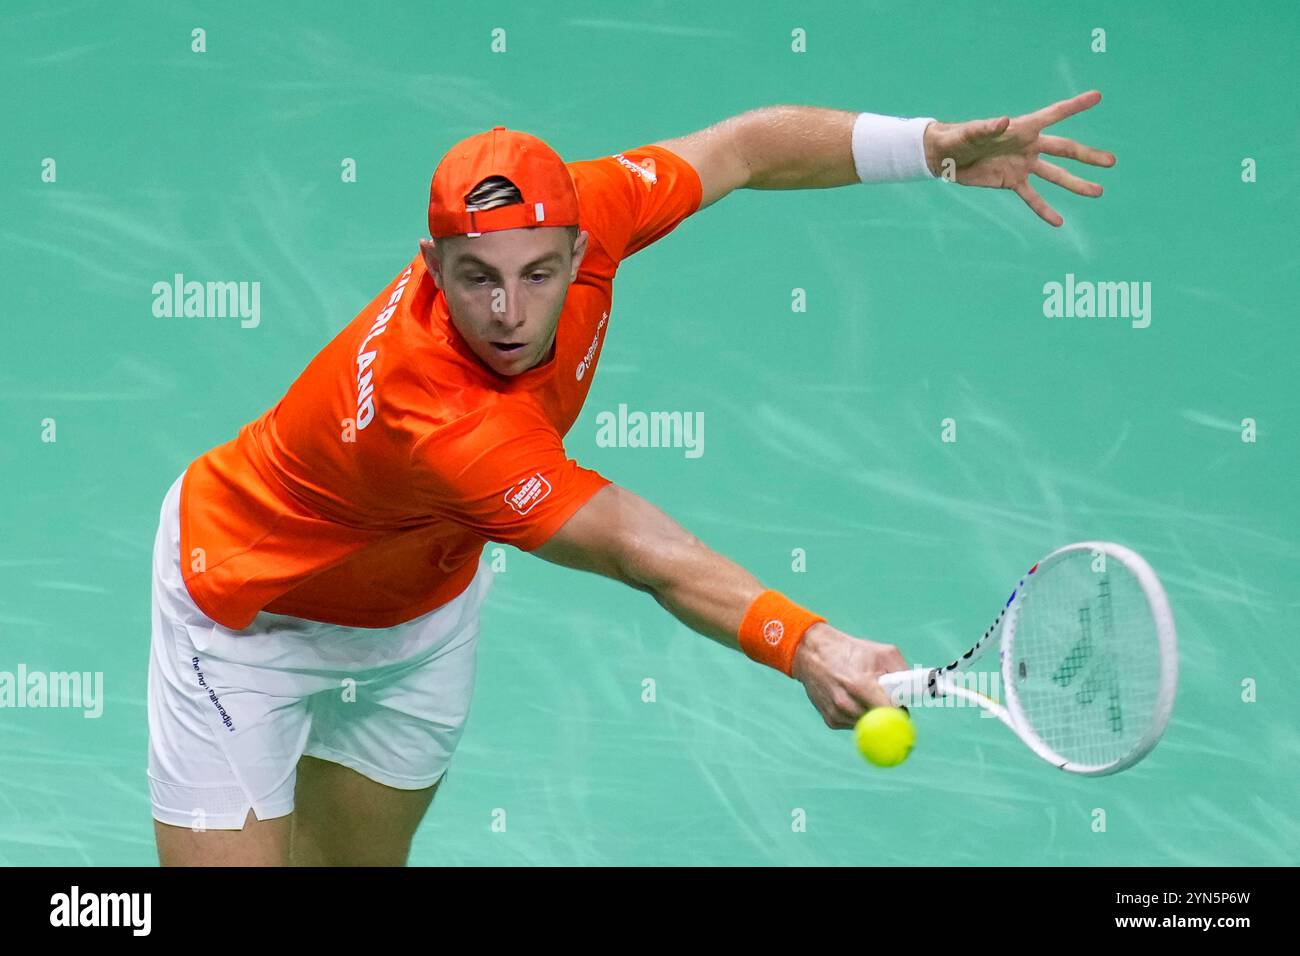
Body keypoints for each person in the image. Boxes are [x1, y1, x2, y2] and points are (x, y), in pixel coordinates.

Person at [148, 93, 1114, 866]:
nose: (511, 312)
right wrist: (808, 644)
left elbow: (745, 148)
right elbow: (639, 550)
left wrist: (932, 147)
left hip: (418, 611)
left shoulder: (591, 207)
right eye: (477, 276)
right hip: (248, 606)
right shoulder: (443, 419)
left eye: (537, 273)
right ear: (432, 267)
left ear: (579, 247)